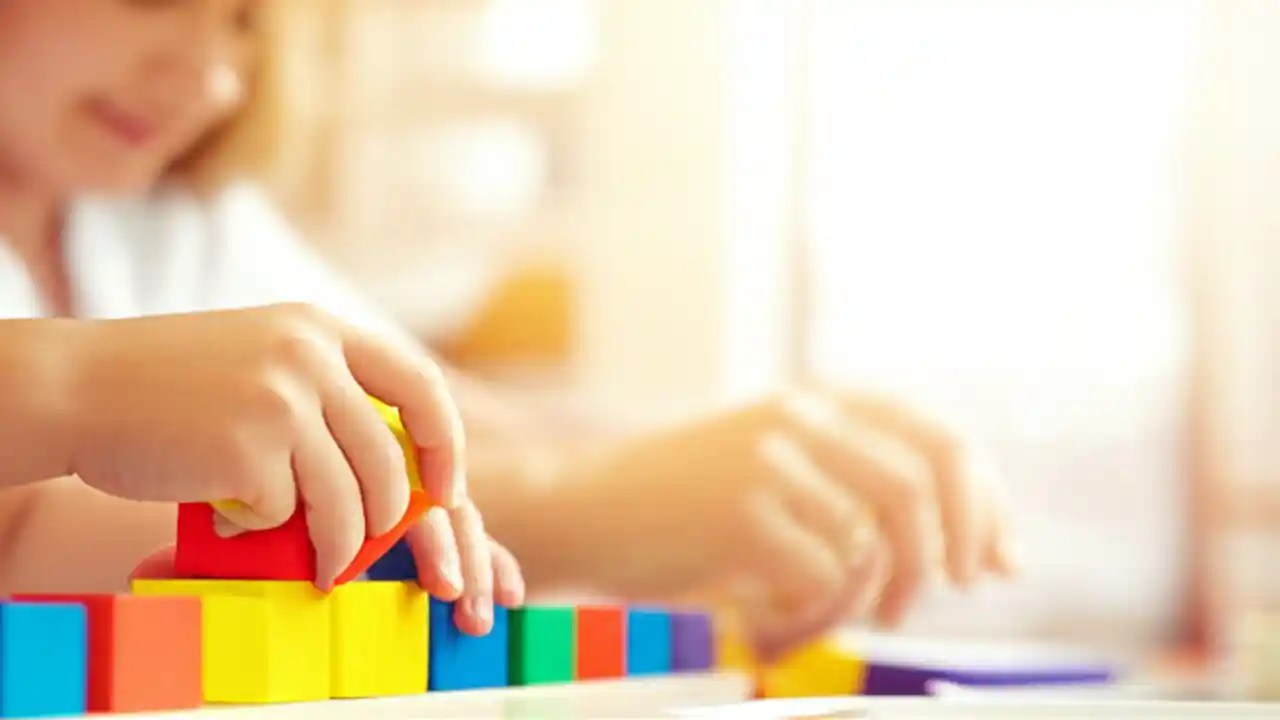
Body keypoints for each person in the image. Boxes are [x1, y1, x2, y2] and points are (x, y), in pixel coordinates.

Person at [0, 0, 1014, 657]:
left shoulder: (169, 221)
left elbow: (452, 418)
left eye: (243, 24)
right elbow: (31, 531)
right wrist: (595, 506)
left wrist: (782, 459)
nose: (214, 79)